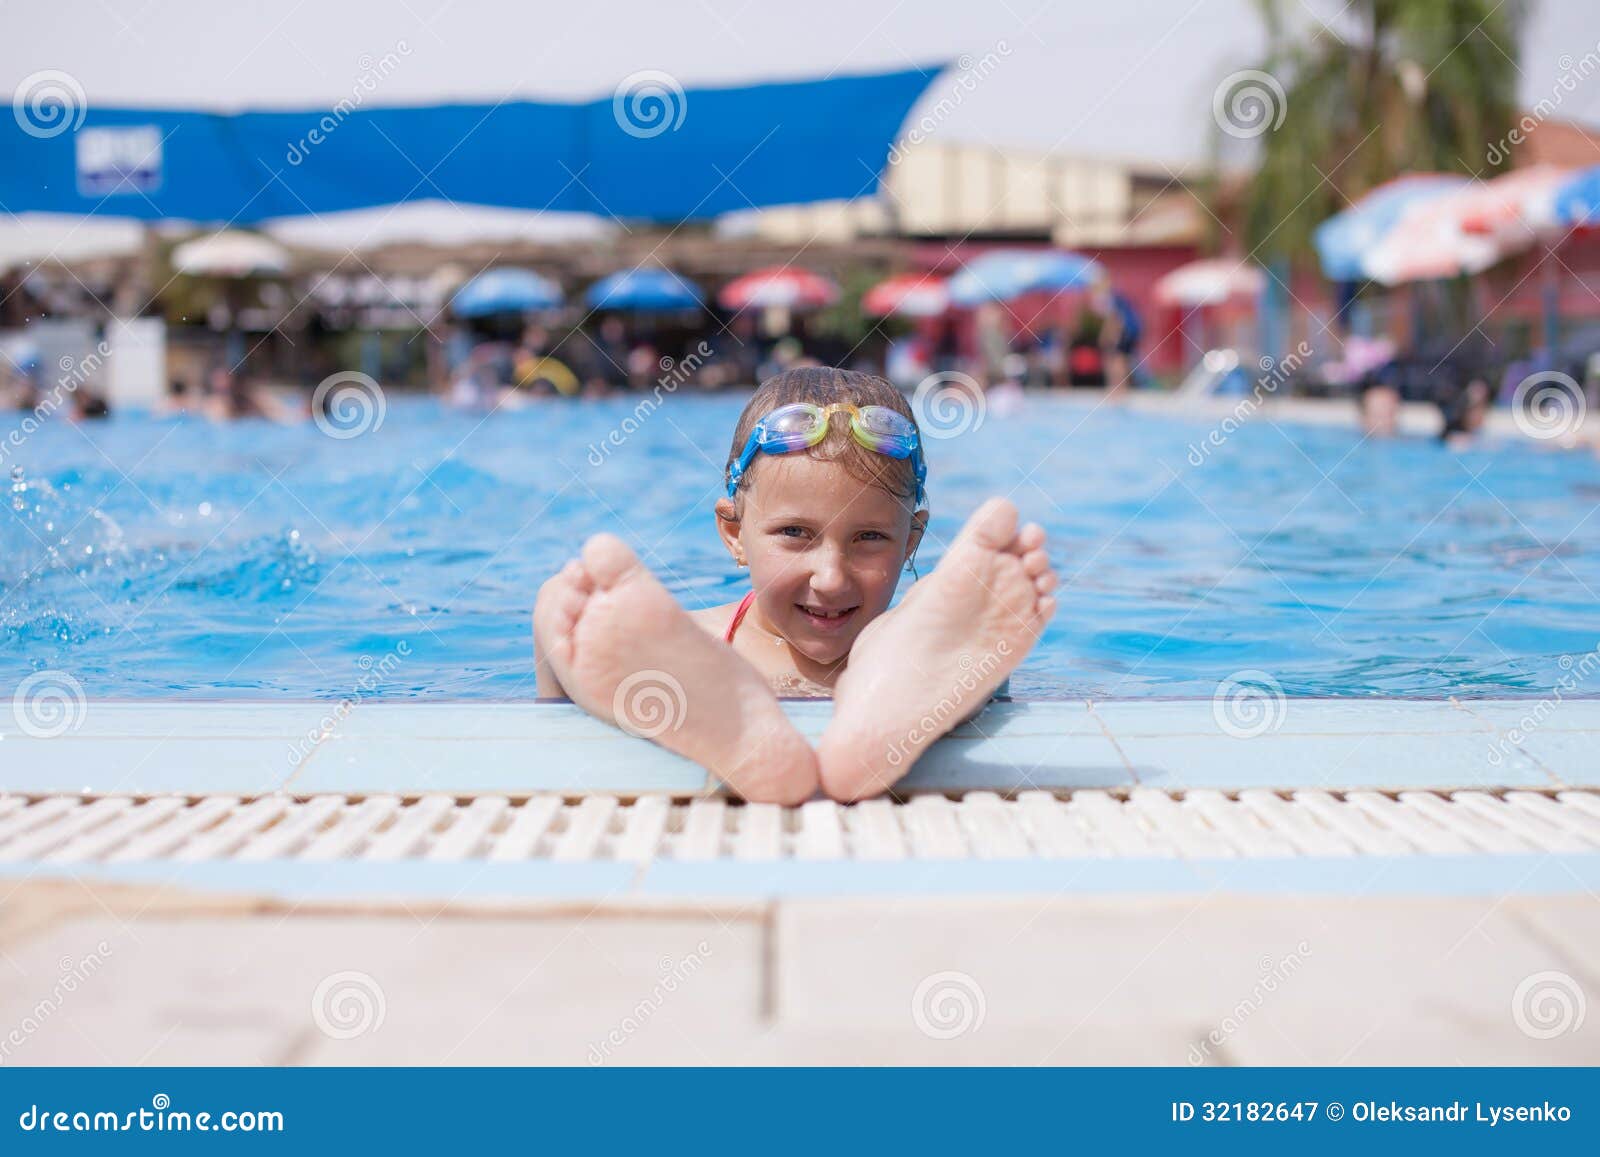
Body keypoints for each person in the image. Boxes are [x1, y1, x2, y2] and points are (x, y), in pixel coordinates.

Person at [532, 366, 1058, 805]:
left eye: (870, 537)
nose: (831, 577)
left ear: (911, 540)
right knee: (566, 606)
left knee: (946, 639)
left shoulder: (926, 631)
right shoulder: (687, 639)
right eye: (795, 534)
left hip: (902, 666)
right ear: (734, 534)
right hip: (716, 668)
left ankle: (880, 697)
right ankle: (735, 717)